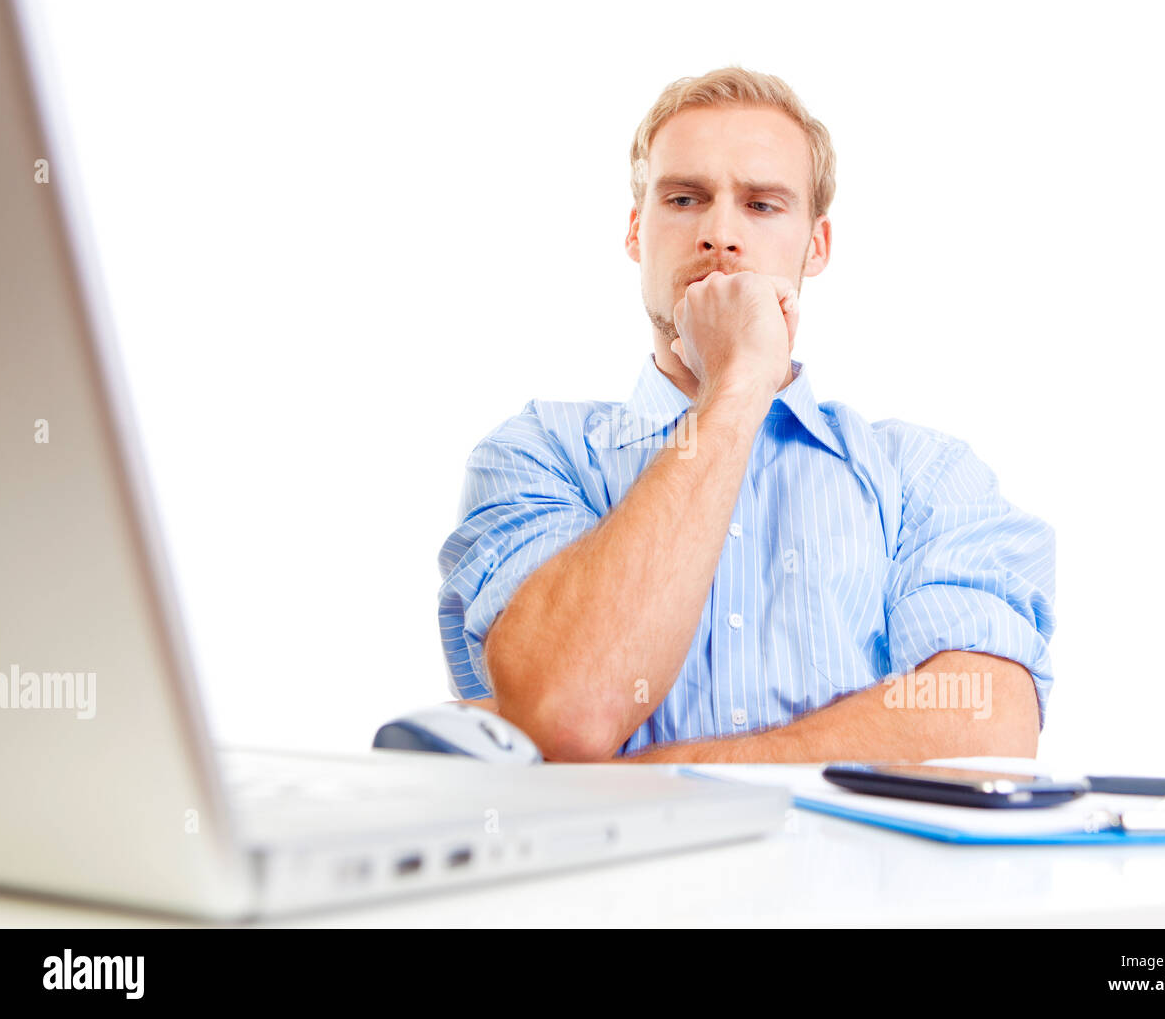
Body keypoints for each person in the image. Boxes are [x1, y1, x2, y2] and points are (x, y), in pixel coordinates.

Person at [437, 67, 1055, 763]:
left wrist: (665, 775)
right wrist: (736, 388)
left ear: (815, 245)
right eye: (683, 198)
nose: (720, 234)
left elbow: (989, 728)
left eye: (762, 205)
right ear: (638, 232)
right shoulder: (534, 452)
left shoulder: (929, 478)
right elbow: (568, 714)